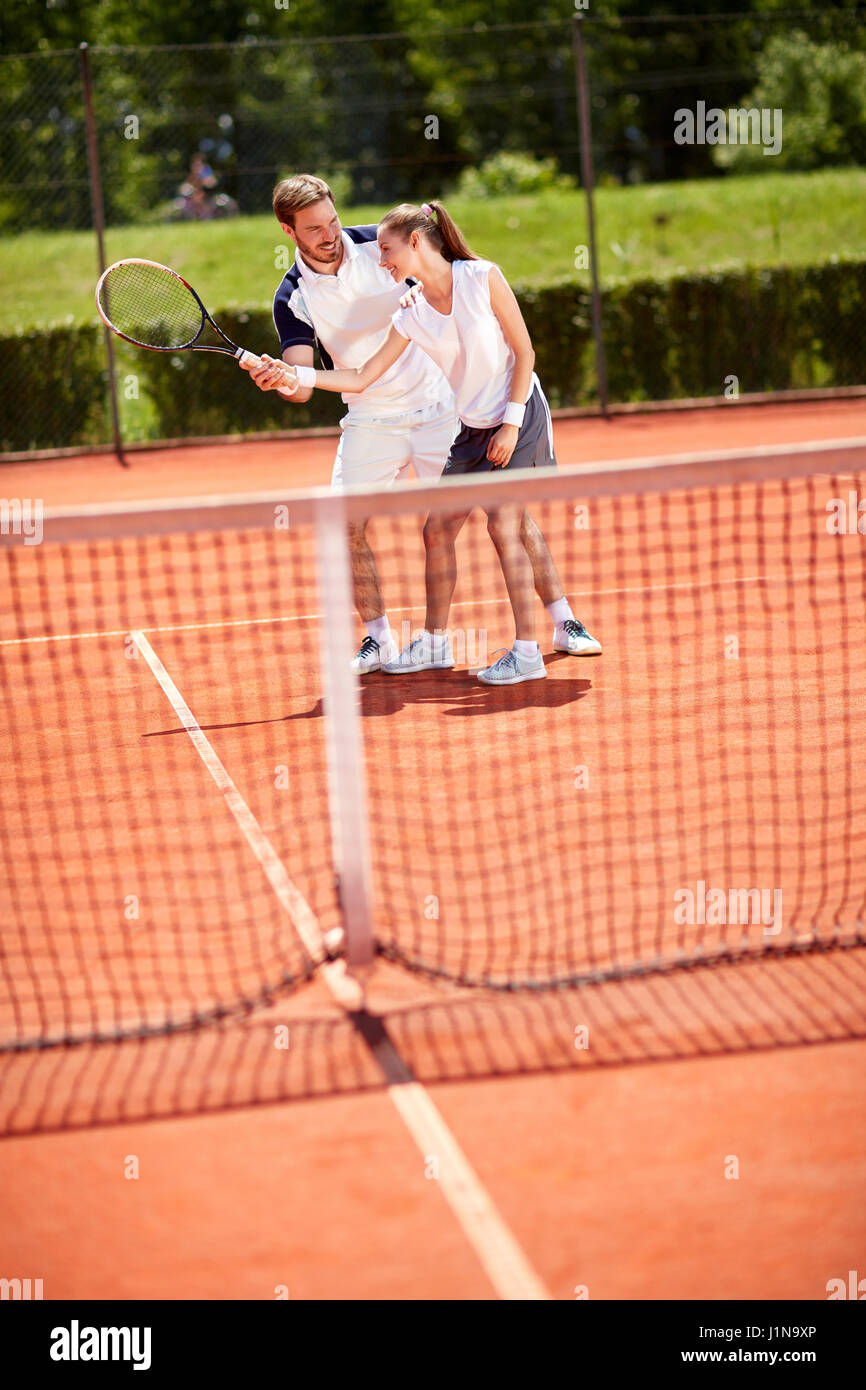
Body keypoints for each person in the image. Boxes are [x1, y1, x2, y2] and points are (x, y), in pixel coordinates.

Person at [242, 177, 599, 675]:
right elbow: (303, 384)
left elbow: (455, 288)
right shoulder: (292, 295)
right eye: (314, 229)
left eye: (332, 221)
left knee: (507, 516)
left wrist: (507, 417)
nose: (329, 235)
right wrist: (280, 377)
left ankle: (564, 621)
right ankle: (382, 640)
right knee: (346, 521)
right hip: (371, 416)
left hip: (443, 407)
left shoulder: (384, 244)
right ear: (289, 230)